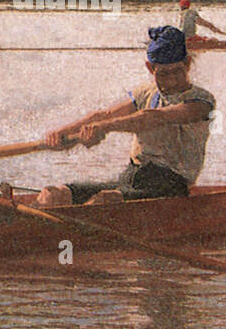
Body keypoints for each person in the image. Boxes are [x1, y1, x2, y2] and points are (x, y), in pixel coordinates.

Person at [35, 26, 215, 206]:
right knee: (51, 195)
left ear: (188, 64)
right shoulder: (145, 93)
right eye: (164, 73)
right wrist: (61, 134)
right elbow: (103, 115)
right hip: (131, 177)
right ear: (150, 68)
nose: (173, 80)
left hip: (170, 186)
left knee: (103, 201)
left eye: (177, 71)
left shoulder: (201, 101)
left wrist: (104, 128)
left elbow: (152, 118)